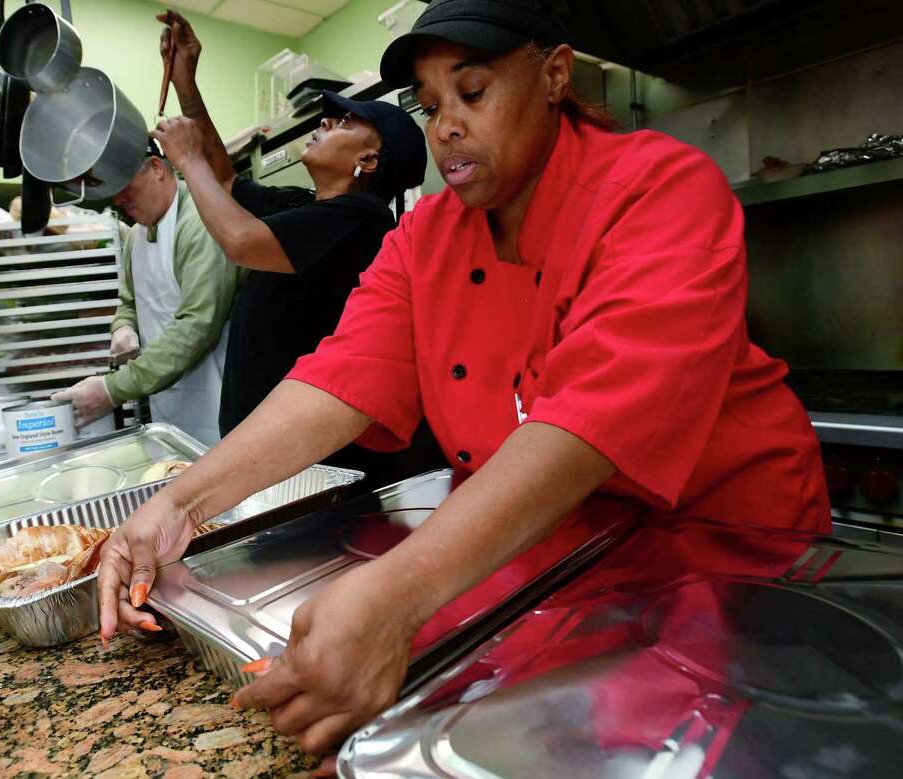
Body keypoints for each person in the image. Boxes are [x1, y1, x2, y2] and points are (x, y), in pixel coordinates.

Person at [95, 0, 829, 758]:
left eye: (472, 93)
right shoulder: (425, 237)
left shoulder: (660, 188)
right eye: (430, 104)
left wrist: (399, 595)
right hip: (564, 536)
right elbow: (338, 378)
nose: (446, 125)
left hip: (726, 542)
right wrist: (179, 504)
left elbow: (585, 427)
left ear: (554, 76)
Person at [150, 9, 446, 487]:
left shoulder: (362, 219)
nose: (326, 120)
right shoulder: (306, 205)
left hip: (313, 464)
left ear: (369, 159)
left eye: (345, 121)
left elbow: (240, 241)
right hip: (272, 455)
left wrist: (186, 158)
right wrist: (187, 80)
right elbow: (224, 180)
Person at [52, 147, 240, 446]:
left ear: (157, 168)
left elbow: (197, 325)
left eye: (124, 186)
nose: (117, 199)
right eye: (111, 191)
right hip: (167, 401)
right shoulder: (135, 235)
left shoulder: (201, 222)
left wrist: (112, 390)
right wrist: (123, 327)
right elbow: (129, 301)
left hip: (220, 401)